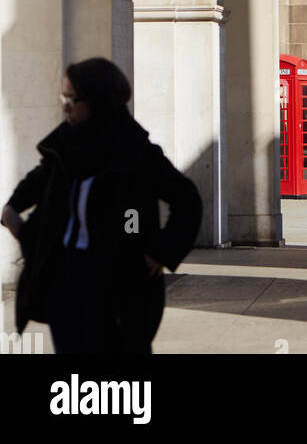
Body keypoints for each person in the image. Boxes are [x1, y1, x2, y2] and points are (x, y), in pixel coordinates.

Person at [1, 57, 202, 355]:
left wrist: (157, 252)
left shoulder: (135, 152)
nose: (66, 106)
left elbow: (187, 200)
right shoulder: (65, 144)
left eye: (74, 99)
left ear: (99, 100)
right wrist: (12, 213)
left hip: (118, 281)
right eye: (64, 97)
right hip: (65, 280)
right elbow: (38, 180)